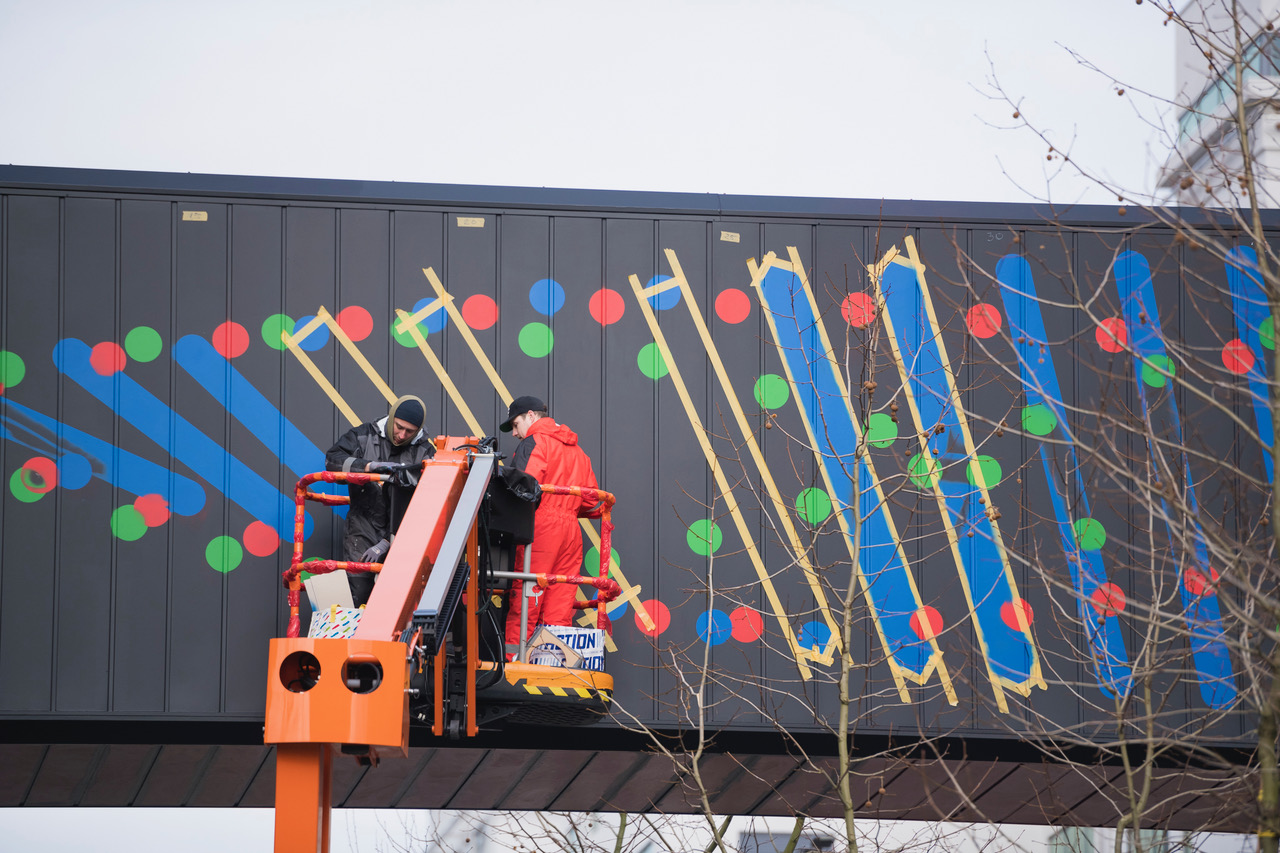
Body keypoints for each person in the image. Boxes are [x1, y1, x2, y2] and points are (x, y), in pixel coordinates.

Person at [500, 395, 602, 650]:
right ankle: (553, 667)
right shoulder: (578, 450)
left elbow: (524, 486)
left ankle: (516, 663)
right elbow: (590, 501)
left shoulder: (534, 442)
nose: (514, 433)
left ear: (532, 416)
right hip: (571, 532)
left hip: (540, 526)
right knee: (560, 602)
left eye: (515, 424)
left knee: (526, 599)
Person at [326, 394, 435, 606]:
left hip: (402, 532)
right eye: (399, 426)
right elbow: (332, 460)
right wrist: (368, 467)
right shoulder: (362, 435)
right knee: (359, 588)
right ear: (392, 417)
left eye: (409, 431)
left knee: (397, 598)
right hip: (362, 524)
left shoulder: (425, 451)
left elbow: (425, 506)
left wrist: (386, 542)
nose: (402, 435)